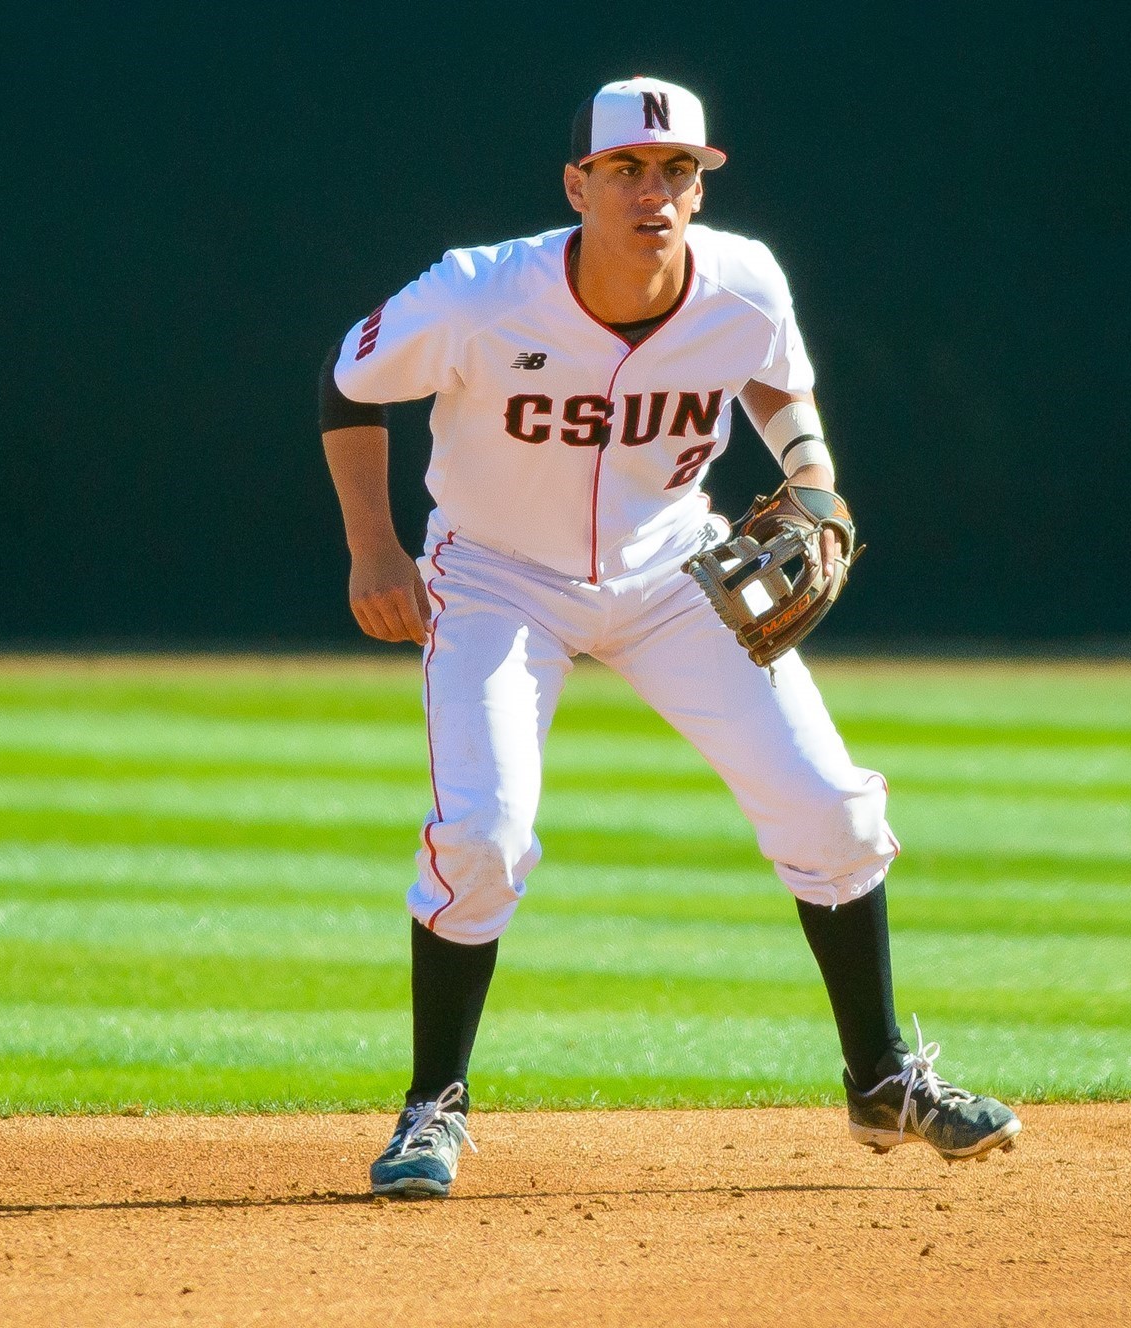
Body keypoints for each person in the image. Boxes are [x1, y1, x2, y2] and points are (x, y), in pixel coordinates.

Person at [317, 76, 1019, 1198]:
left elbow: (775, 383)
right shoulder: (478, 294)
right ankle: (431, 1106)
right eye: (628, 169)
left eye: (678, 169)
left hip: (668, 571)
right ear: (577, 184)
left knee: (830, 807)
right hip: (498, 578)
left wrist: (812, 475)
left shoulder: (741, 282)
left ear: (699, 184)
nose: (655, 190)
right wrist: (375, 549)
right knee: (484, 835)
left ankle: (881, 1075)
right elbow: (347, 382)